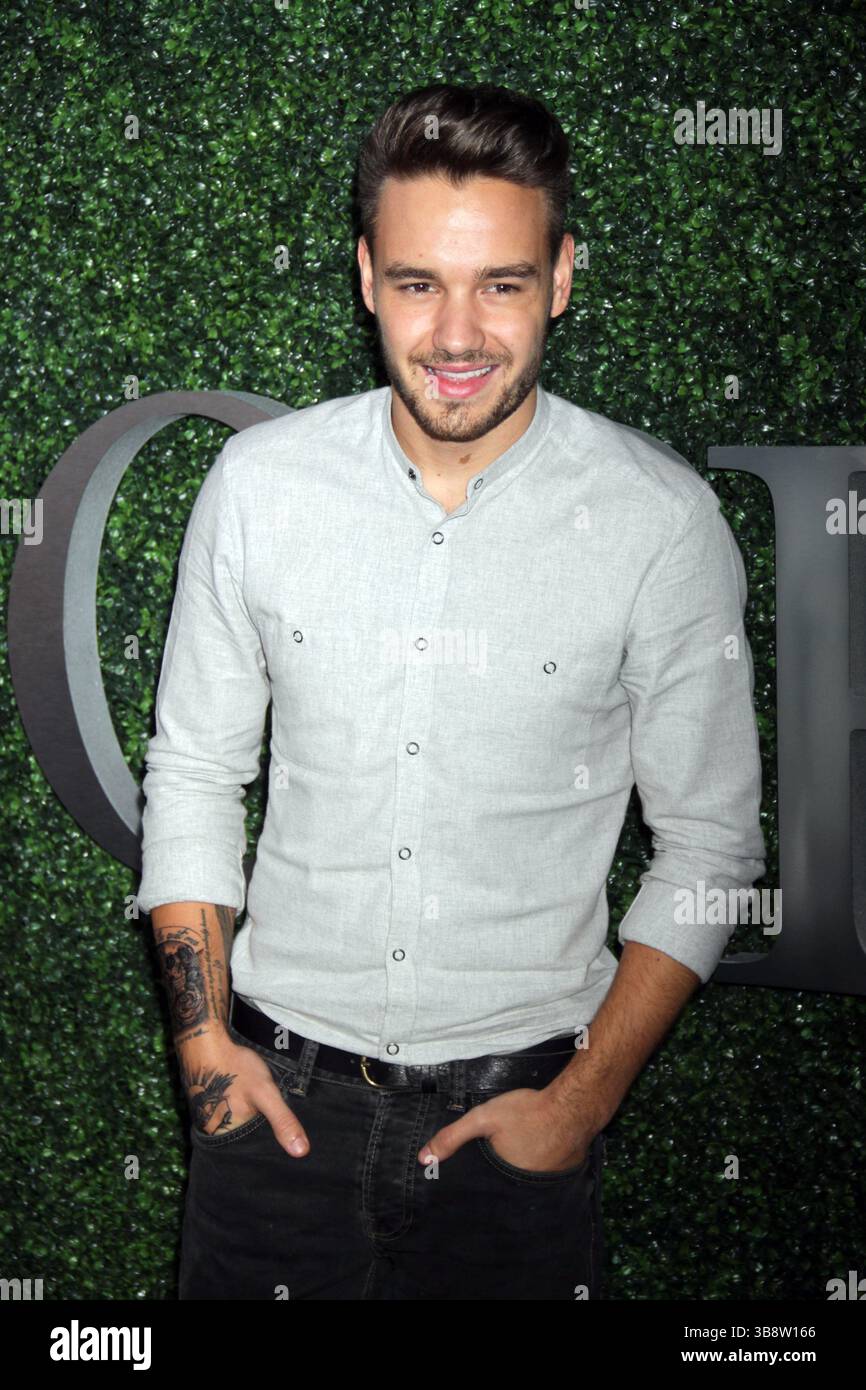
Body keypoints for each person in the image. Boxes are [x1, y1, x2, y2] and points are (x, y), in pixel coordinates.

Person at [137, 82, 766, 1301]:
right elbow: (196, 774)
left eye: (502, 284)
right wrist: (204, 1056)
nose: (458, 334)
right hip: (271, 1116)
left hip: (513, 1131)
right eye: (420, 283)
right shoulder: (259, 487)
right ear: (366, 278)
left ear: (562, 277)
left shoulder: (658, 521)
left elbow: (709, 844)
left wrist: (579, 1102)